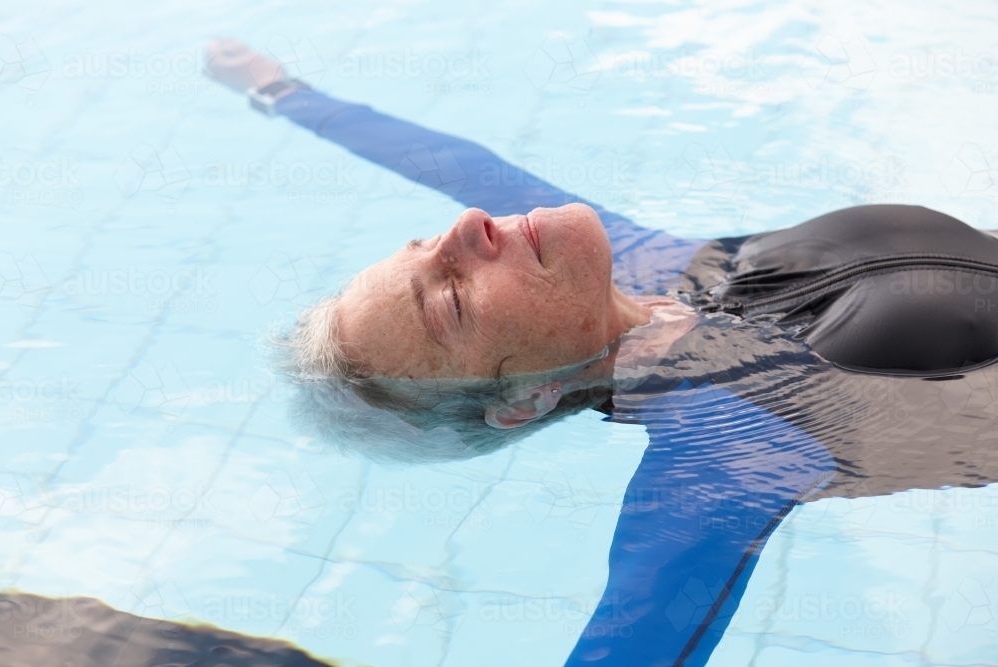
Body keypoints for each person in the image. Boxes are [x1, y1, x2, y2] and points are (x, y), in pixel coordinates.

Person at [206, 39, 998, 667]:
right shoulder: (717, 457)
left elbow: (451, 163)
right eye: (450, 297)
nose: (468, 225)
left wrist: (281, 90)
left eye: (423, 243)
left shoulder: (649, 265)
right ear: (524, 398)